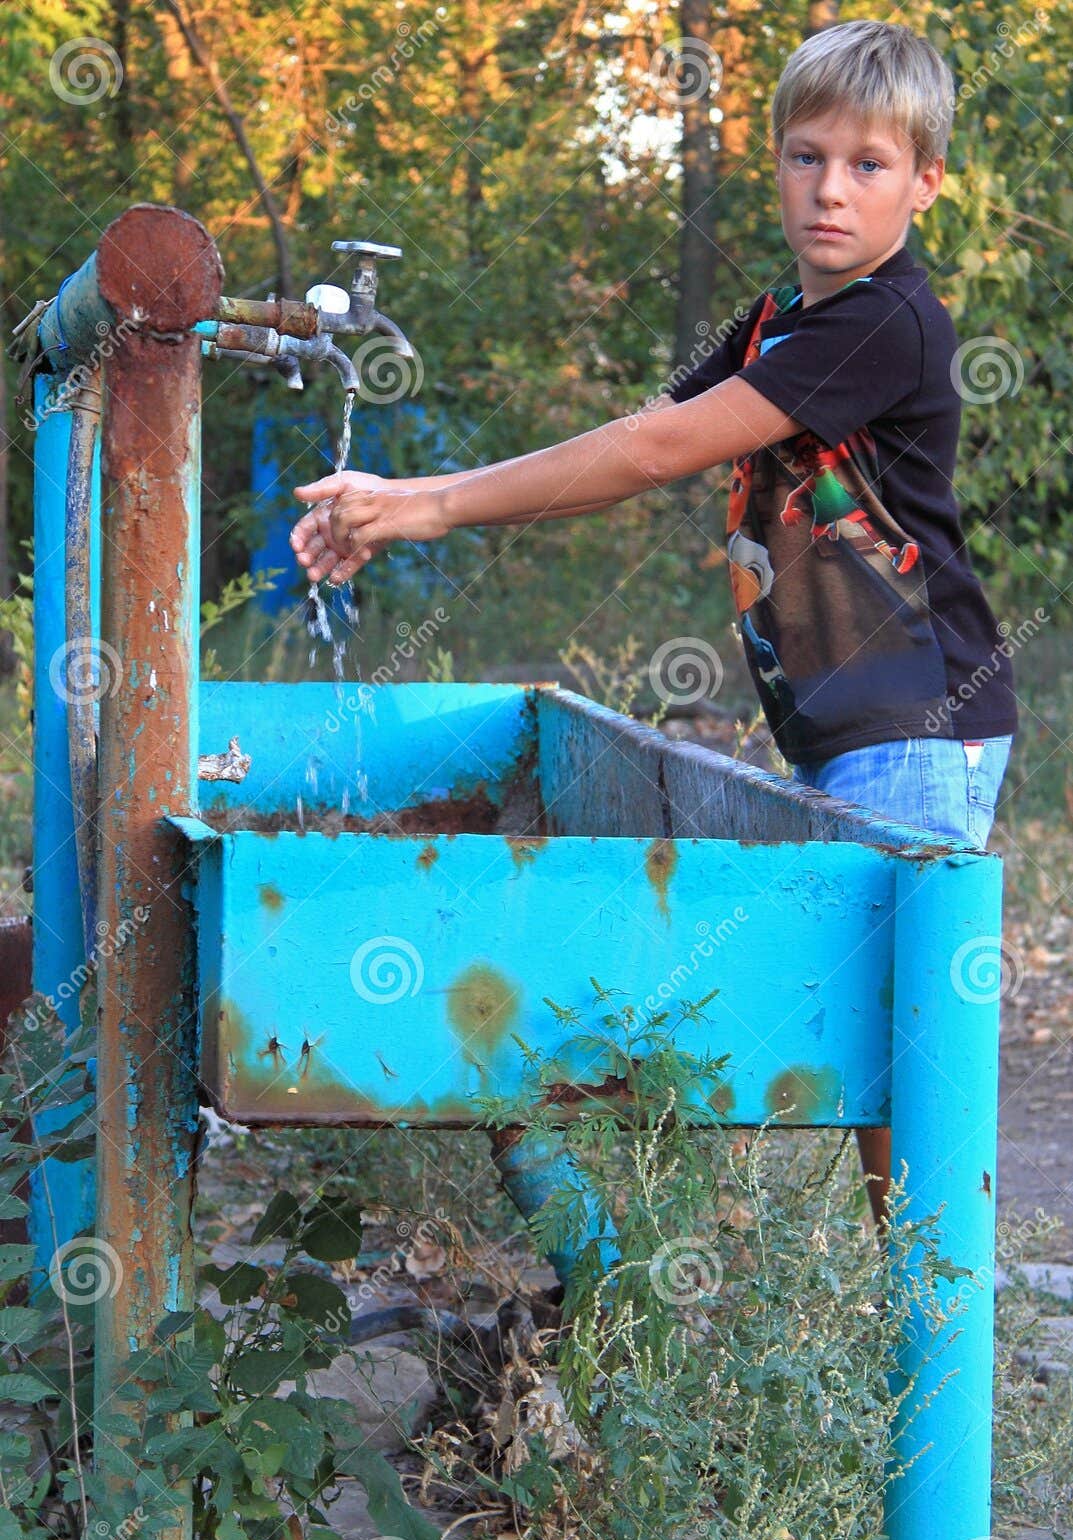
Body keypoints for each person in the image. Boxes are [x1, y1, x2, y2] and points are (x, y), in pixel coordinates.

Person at [290, 19, 1019, 1226]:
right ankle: (907, 1322)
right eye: (803, 156)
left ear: (925, 183)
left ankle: (935, 1336)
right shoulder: (784, 310)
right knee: (868, 1033)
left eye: (867, 164)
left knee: (898, 1046)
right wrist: (405, 502)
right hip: (850, 725)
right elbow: (625, 441)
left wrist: (428, 509)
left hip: (919, 719)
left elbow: (653, 451)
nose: (829, 188)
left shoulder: (881, 320)